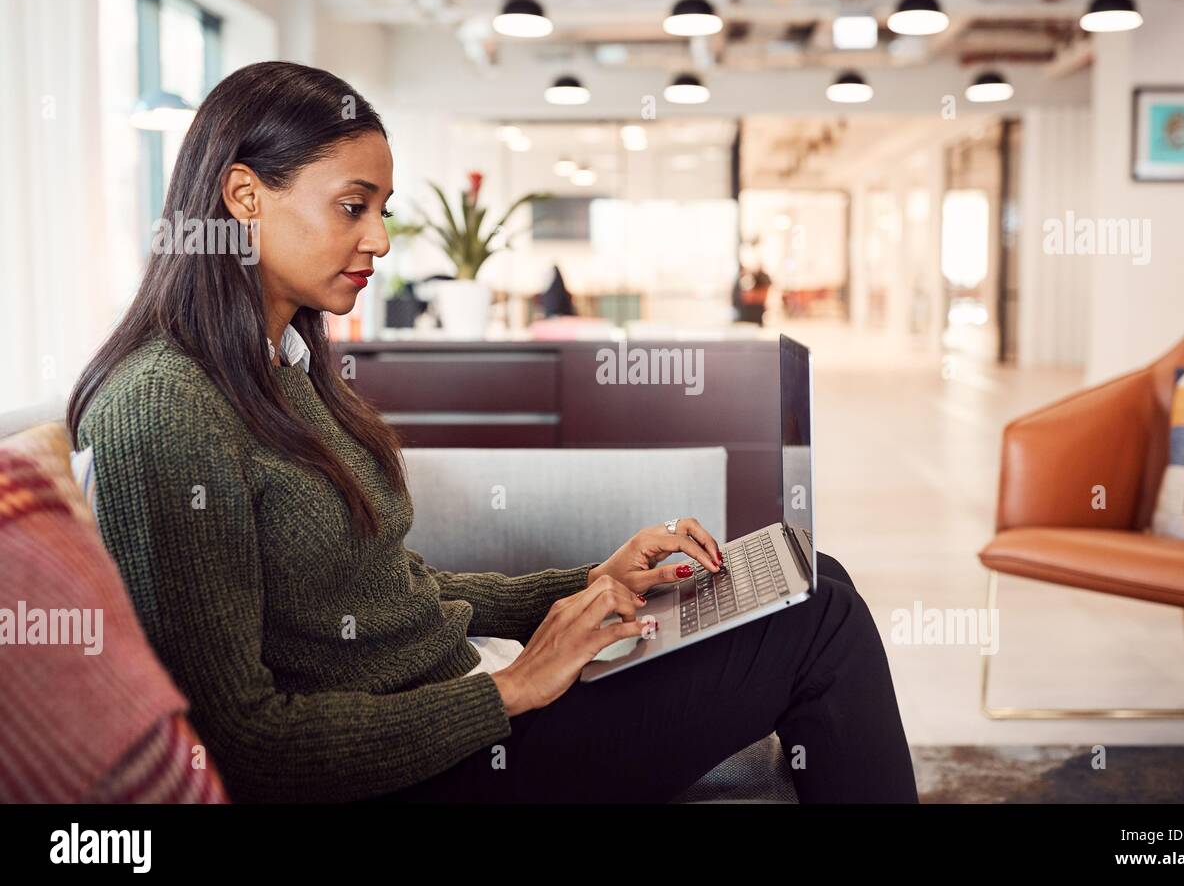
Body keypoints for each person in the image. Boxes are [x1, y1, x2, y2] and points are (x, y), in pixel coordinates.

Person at [67, 61, 917, 804]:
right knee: (818, 621)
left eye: (383, 209)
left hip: (466, 711)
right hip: (435, 767)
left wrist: (592, 582)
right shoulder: (165, 405)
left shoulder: (280, 363)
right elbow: (241, 744)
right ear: (244, 196)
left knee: (810, 578)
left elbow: (391, 593)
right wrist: (513, 689)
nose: (381, 240)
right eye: (353, 207)